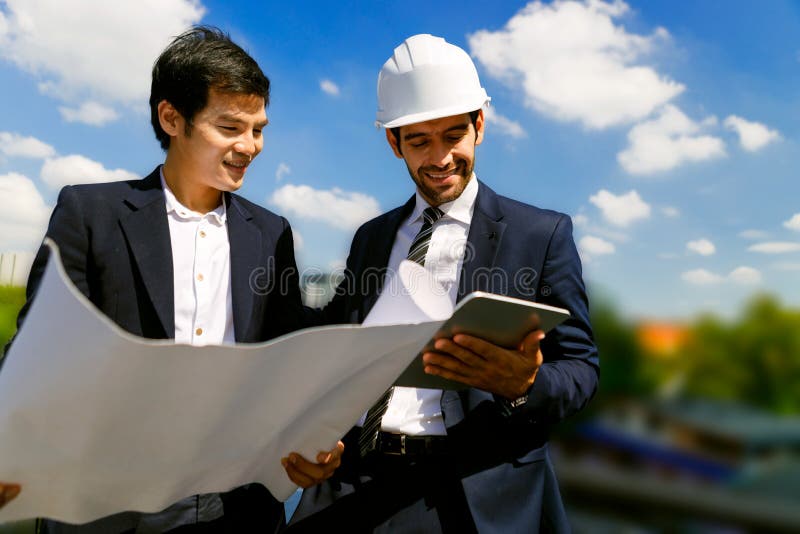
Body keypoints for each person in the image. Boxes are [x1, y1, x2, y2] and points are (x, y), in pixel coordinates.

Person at [2, 26, 341, 532]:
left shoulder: (272, 234)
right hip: (107, 503)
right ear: (172, 118)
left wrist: (318, 434)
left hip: (238, 504)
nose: (250, 146)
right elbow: (36, 351)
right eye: (230, 127)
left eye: (258, 129)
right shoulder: (90, 214)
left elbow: (287, 359)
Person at [285, 34, 599, 533]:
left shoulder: (541, 235)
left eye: (454, 135)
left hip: (467, 493)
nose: (440, 158)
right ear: (394, 143)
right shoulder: (372, 237)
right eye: (419, 142)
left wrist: (523, 386)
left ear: (480, 125)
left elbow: (581, 368)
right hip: (352, 481)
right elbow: (339, 338)